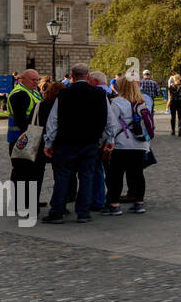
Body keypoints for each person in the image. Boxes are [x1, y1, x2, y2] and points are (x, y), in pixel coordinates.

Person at [42, 63, 113, 223]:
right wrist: (109, 140)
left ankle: (57, 212)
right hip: (90, 142)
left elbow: (53, 121)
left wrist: (49, 142)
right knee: (86, 177)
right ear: (88, 77)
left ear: (72, 77)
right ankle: (83, 212)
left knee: (62, 177)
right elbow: (109, 121)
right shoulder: (100, 94)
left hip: (66, 142)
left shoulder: (64, 94)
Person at [103, 76, 153, 215]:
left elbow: (111, 124)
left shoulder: (118, 102)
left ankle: (114, 204)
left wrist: (108, 141)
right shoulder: (143, 101)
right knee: (137, 174)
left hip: (121, 143)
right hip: (140, 144)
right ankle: (139, 202)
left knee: (116, 175)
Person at [6, 69, 45, 204]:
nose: (36, 82)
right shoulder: (20, 94)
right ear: (22, 79)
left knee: (33, 172)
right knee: (21, 172)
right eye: (33, 80)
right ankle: (20, 202)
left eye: (37, 79)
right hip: (20, 139)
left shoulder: (33, 91)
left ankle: (31, 200)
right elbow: (21, 120)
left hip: (30, 137)